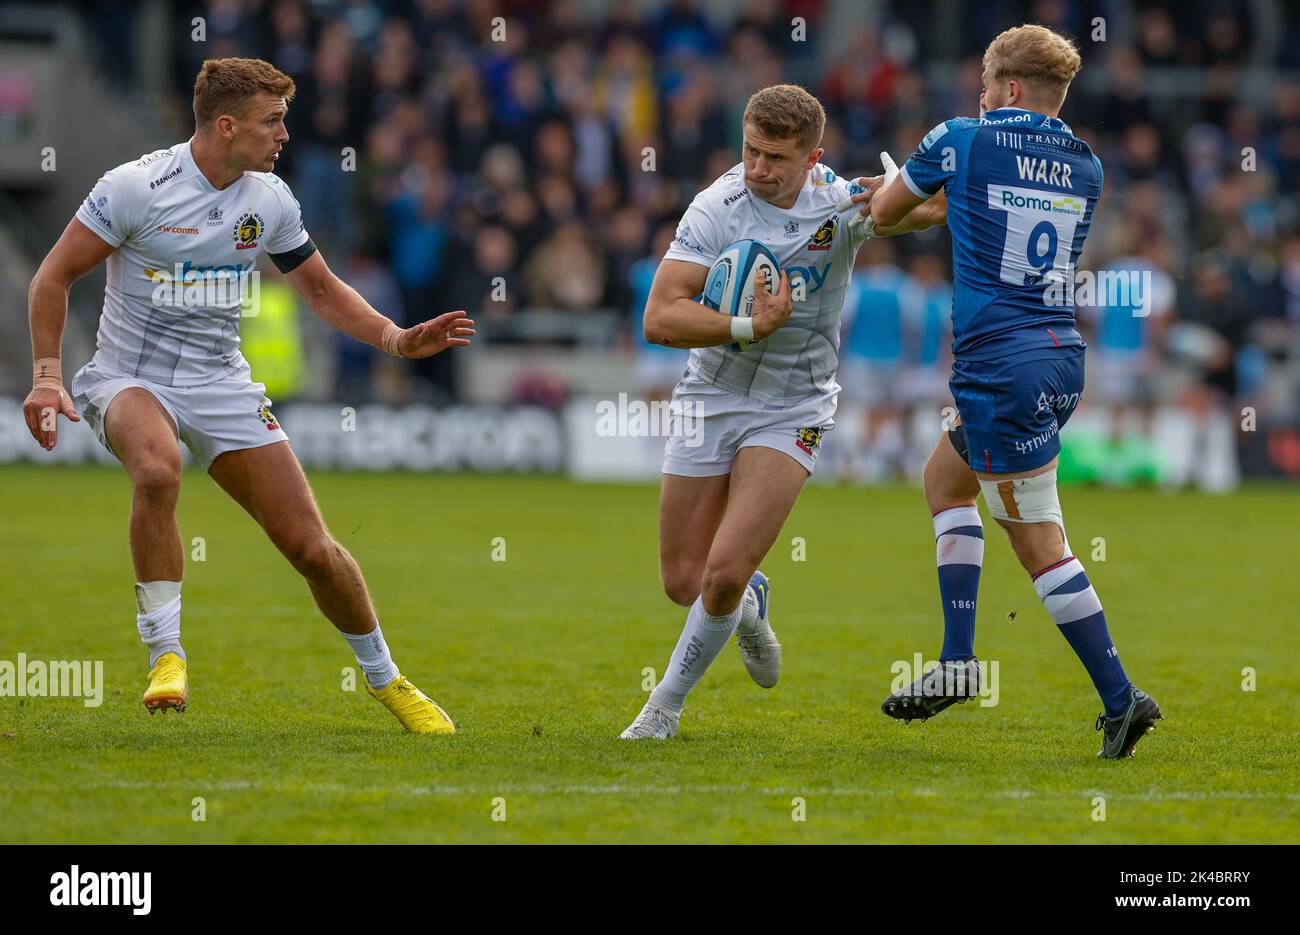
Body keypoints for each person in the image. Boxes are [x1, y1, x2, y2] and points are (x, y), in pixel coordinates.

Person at [21, 58, 475, 733]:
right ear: (226, 126)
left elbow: (320, 289)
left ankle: (391, 680)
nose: (284, 134)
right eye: (273, 121)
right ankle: (166, 653)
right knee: (156, 467)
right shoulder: (135, 187)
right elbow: (53, 277)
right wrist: (48, 376)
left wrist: (395, 338)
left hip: (222, 384)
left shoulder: (270, 199)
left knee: (313, 549)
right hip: (130, 376)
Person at [866, 25, 1163, 758]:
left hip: (1000, 365)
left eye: (985, 82)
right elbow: (1001, 218)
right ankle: (958, 659)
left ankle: (1122, 698)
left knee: (1039, 543)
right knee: (945, 479)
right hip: (1060, 354)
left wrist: (911, 199)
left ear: (1010, 87)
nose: (979, 95)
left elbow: (882, 214)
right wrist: (946, 208)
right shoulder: (1088, 165)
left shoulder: (958, 139)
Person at [620, 84, 875, 739]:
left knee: (722, 571)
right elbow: (660, 317)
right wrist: (743, 325)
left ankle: (663, 708)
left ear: (813, 158)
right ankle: (750, 604)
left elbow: (922, 213)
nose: (758, 168)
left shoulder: (841, 204)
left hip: (795, 404)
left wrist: (906, 193)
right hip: (711, 394)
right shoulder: (716, 207)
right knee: (685, 581)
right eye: (751, 151)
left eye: (776, 159)